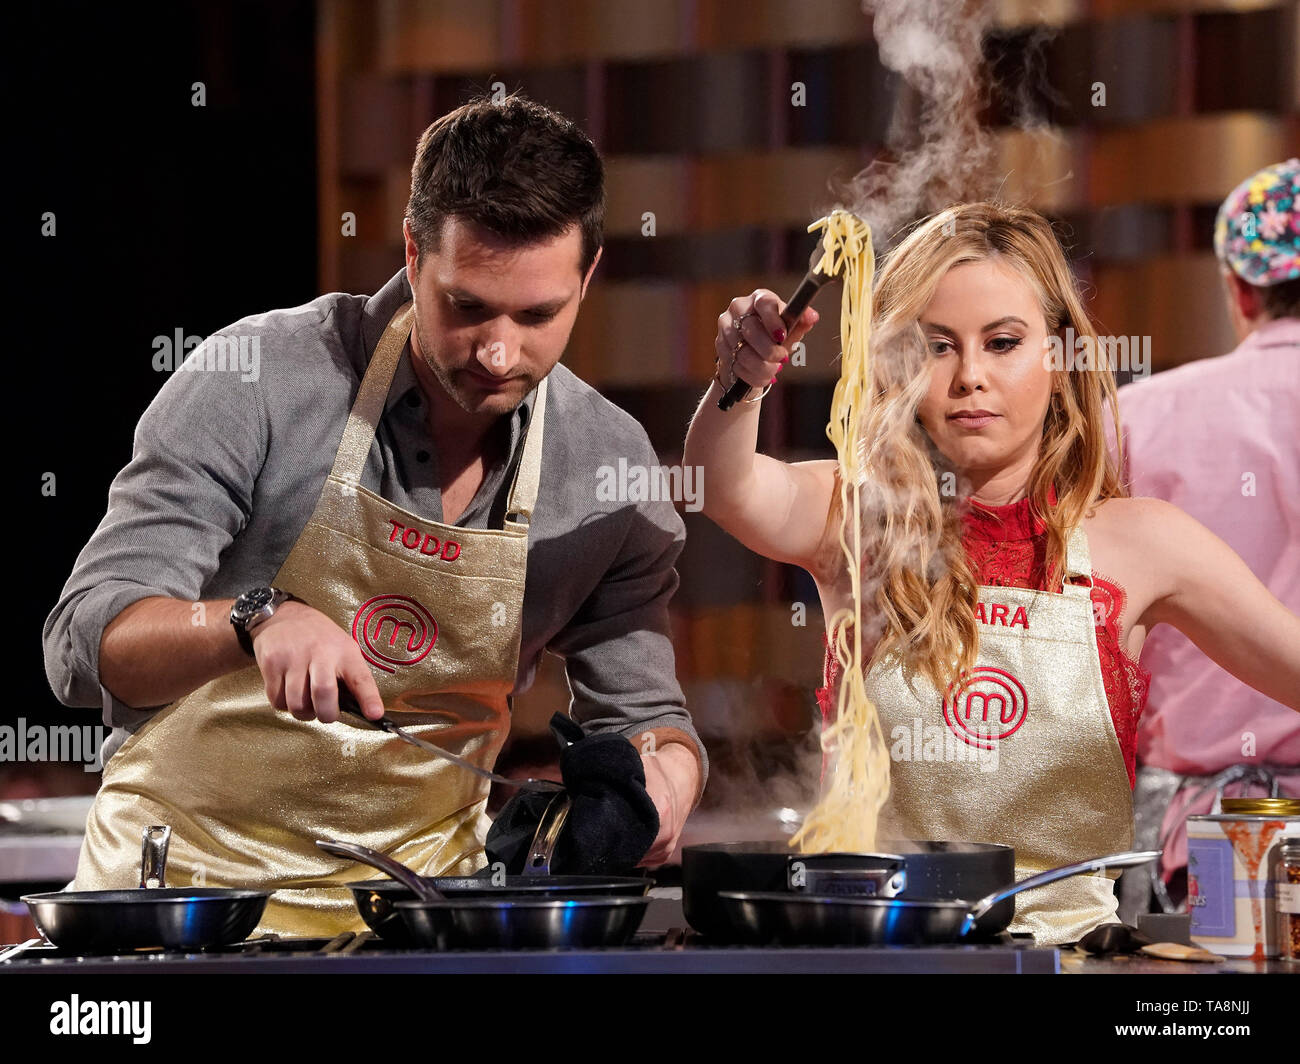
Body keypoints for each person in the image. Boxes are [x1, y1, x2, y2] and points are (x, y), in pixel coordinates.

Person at [43, 94, 704, 936]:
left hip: (419, 928)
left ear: (589, 276)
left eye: (538, 316)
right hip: (183, 914)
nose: (499, 352)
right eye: (466, 306)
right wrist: (253, 621)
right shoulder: (259, 380)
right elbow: (81, 645)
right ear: (412, 252)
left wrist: (661, 789)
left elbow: (650, 723)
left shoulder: (607, 465)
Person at [682, 201, 1300, 945]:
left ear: (1060, 353)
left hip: (1071, 959)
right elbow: (723, 485)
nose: (970, 376)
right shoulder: (856, 517)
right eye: (937, 347)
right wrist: (742, 378)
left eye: (1003, 342)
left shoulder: (1144, 543)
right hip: (879, 953)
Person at [1114, 159, 1300, 919]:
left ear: (1240, 287)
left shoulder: (1134, 418)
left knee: (1206, 1028)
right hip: (1210, 831)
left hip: (1201, 850)